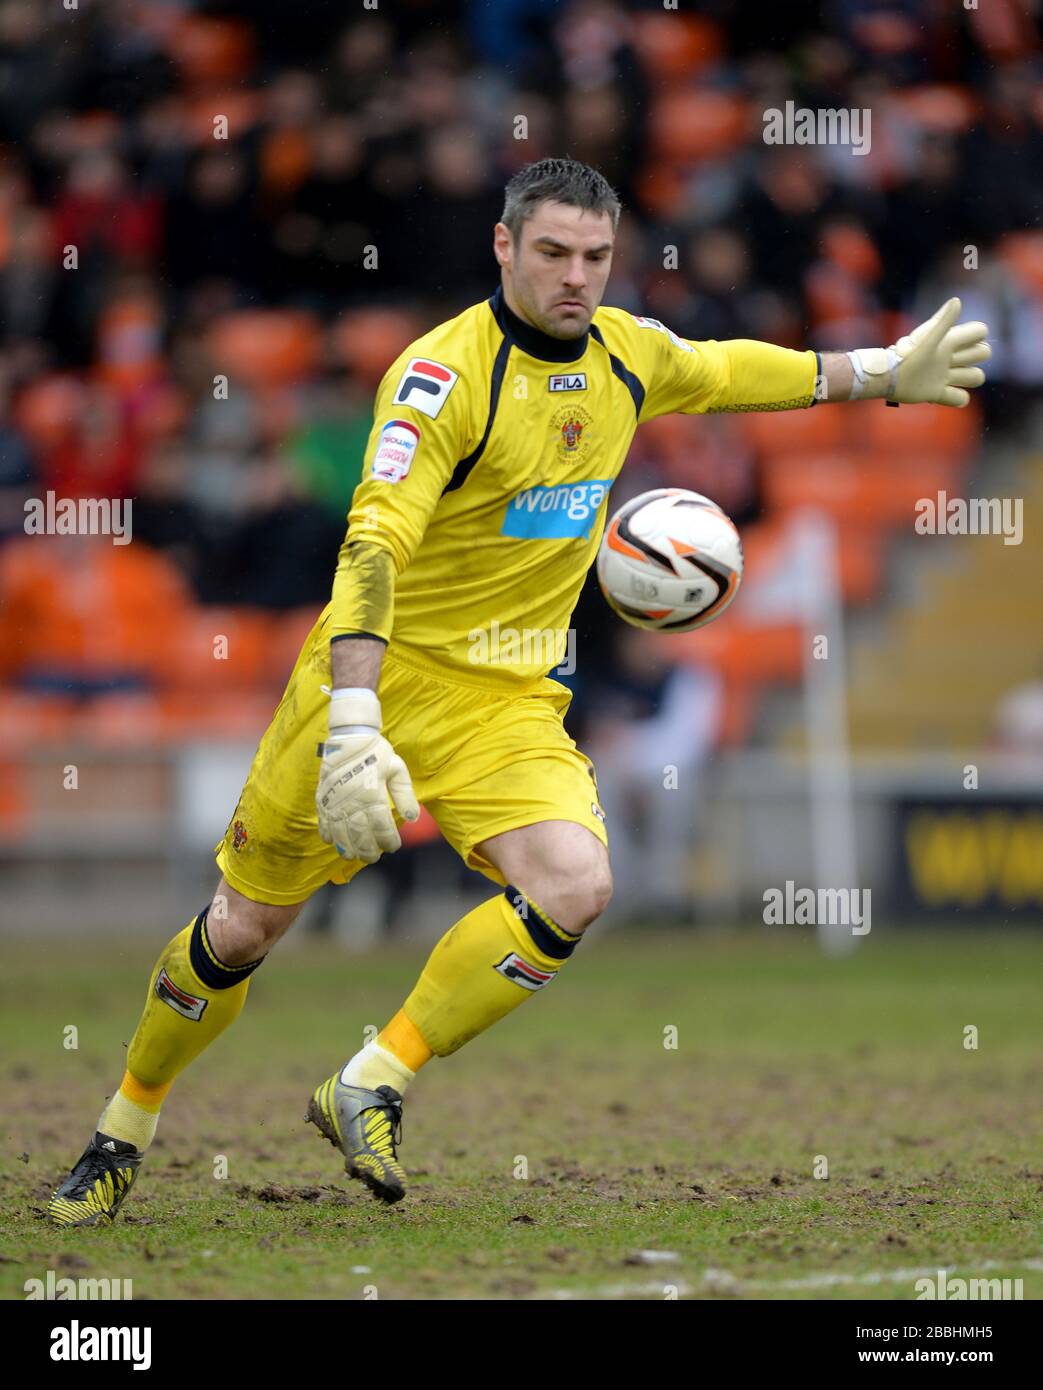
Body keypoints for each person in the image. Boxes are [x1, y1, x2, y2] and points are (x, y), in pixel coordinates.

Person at [48, 157, 990, 1224]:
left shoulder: (627, 357)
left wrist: (880, 371)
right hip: (376, 683)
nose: (575, 277)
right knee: (241, 928)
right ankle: (122, 1129)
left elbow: (731, 369)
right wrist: (354, 715)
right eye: (551, 253)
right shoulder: (441, 378)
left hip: (506, 703)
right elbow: (373, 545)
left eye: (594, 256)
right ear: (503, 247)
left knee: (574, 883)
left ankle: (372, 1076)